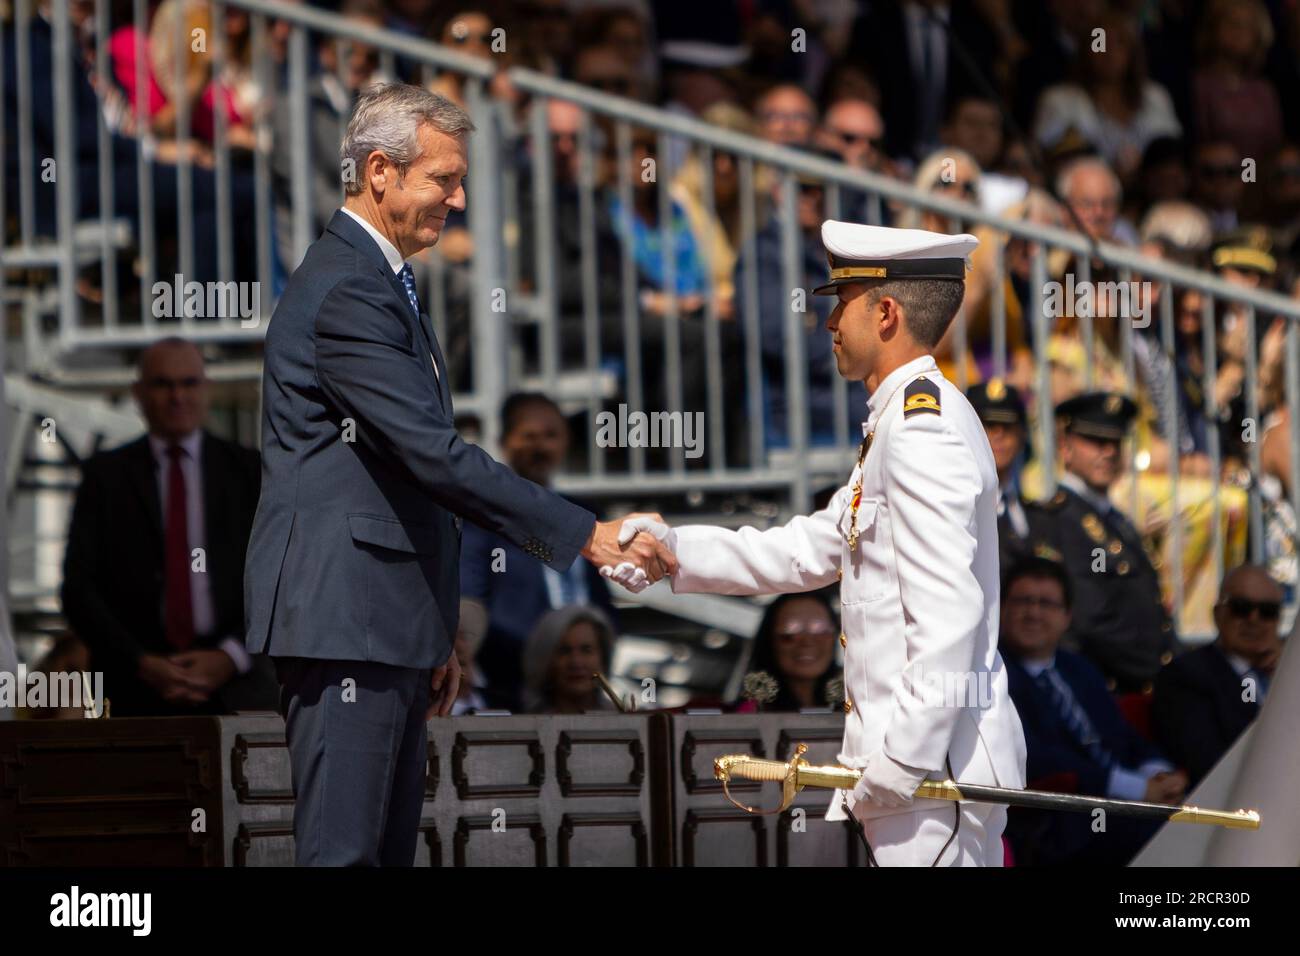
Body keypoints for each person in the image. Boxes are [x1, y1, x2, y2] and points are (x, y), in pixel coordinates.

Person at [243, 83, 673, 866]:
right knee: (344, 857)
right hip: (347, 624)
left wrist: (435, 623)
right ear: (381, 171)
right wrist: (585, 533)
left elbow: (403, 477)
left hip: (384, 624)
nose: (460, 197)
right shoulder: (347, 289)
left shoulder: (379, 283)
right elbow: (434, 456)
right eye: (444, 178)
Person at [611, 220, 1027, 866]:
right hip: (923, 771)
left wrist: (900, 760)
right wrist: (674, 551)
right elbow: (809, 548)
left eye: (841, 302)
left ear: (886, 312)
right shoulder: (906, 418)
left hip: (932, 769)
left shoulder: (921, 430)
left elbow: (950, 616)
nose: (829, 323)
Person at [62, 338, 275, 717]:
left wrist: (230, 656)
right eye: (163, 384)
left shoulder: (249, 473)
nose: (177, 396)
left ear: (206, 388)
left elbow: (283, 578)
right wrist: (141, 663)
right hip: (133, 694)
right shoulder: (105, 478)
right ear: (138, 393)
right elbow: (79, 590)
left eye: (189, 383)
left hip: (240, 691)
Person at [998, 557, 1185, 866]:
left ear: (1066, 616)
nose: (1033, 612)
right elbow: (1038, 759)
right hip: (1061, 823)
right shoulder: (994, 676)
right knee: (1168, 831)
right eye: (1022, 601)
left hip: (1122, 808)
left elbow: (1122, 734)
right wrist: (1137, 789)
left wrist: (1158, 773)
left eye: (1046, 603)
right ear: (1002, 609)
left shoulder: (1078, 668)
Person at [461, 393, 619, 711]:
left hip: (584, 691)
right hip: (512, 686)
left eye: (551, 436)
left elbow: (601, 596)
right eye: (529, 436)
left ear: (565, 442)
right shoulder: (483, 518)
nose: (540, 447)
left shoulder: (584, 513)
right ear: (505, 441)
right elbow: (470, 597)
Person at [1036, 392, 1179, 693]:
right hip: (1104, 686)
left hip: (1140, 687)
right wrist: (1155, 668)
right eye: (1095, 441)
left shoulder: (1118, 521)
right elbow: (1090, 621)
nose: (1108, 452)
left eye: (1115, 443)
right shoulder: (1060, 519)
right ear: (1066, 447)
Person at [1152, 565, 1284, 787]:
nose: (1254, 619)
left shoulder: (1286, 673)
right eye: (1241, 608)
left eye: (1267, 611)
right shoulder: (1185, 677)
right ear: (1217, 614)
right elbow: (1209, 764)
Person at [965, 380, 1051, 573]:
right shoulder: (955, 505)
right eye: (987, 425)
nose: (999, 434)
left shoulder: (1038, 515)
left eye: (1008, 426)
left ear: (1022, 436)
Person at [738, 590, 843, 712]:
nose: (807, 642)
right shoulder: (751, 713)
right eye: (790, 635)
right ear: (769, 640)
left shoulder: (857, 705)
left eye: (821, 632)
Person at [522, 605, 619, 714]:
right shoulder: (525, 725)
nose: (576, 662)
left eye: (586, 650)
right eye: (564, 651)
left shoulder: (625, 723)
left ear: (603, 658)